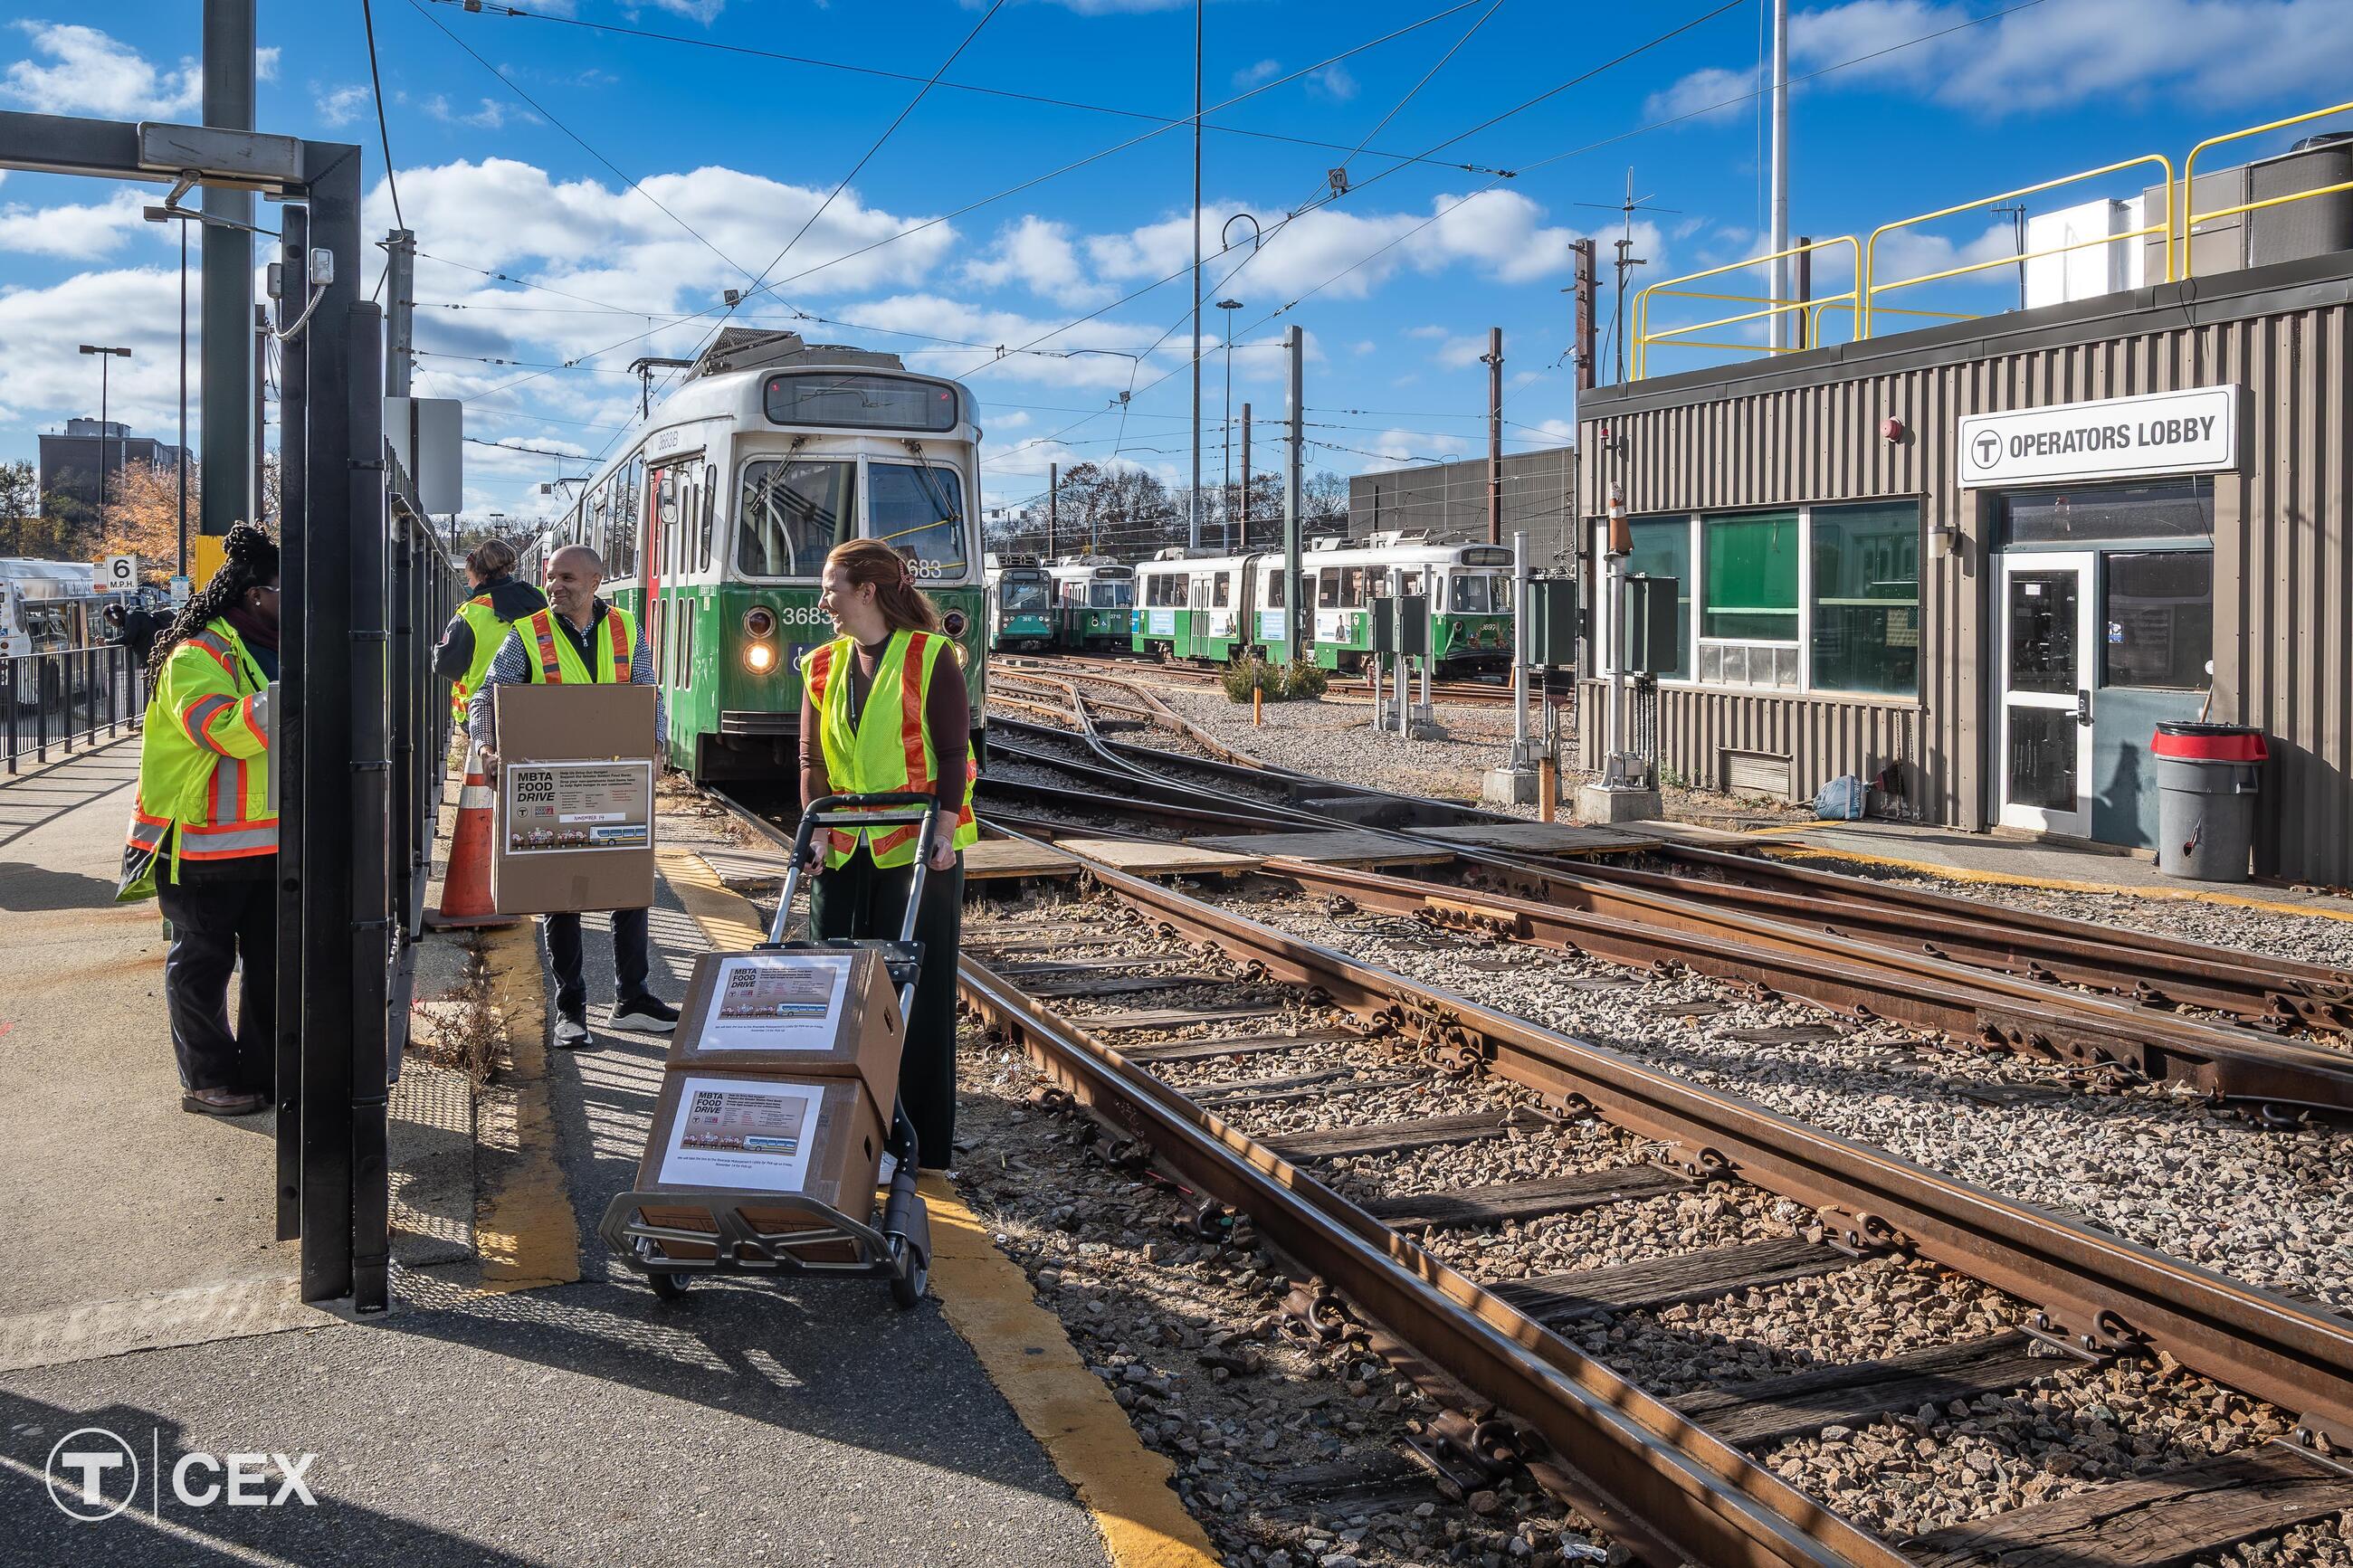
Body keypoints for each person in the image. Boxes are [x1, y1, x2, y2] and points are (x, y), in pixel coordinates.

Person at [796, 538, 977, 1170]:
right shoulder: (821, 664)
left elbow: (954, 756)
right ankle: (843, 1131)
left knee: (916, 999)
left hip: (918, 849)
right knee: (839, 991)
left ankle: (920, 1144)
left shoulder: (932, 658)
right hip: (843, 848)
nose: (825, 602)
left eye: (832, 589)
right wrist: (815, 831)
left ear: (867, 591)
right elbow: (811, 761)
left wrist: (946, 830)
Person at [472, 543, 678, 1050]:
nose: (555, 586)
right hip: (555, 787)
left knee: (629, 890)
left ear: (596, 580)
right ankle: (571, 1010)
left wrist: (657, 743)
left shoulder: (628, 629)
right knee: (560, 897)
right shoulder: (527, 635)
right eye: (550, 577)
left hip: (616, 782)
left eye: (566, 578)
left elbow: (648, 693)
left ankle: (632, 1000)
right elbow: (486, 697)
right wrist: (486, 746)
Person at [119, 523, 281, 1117]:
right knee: (202, 969)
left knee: (272, 968)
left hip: (269, 846)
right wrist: (298, 691)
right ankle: (208, 1080)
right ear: (256, 592)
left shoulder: (277, 644)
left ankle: (265, 1075)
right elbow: (222, 729)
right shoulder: (198, 654)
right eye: (287, 589)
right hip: (198, 848)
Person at [431, 537, 546, 738]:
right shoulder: (540, 597)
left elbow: (446, 665)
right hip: (540, 707)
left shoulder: (472, 613)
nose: (469, 583)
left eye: (469, 578)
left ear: (481, 577)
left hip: (485, 713)